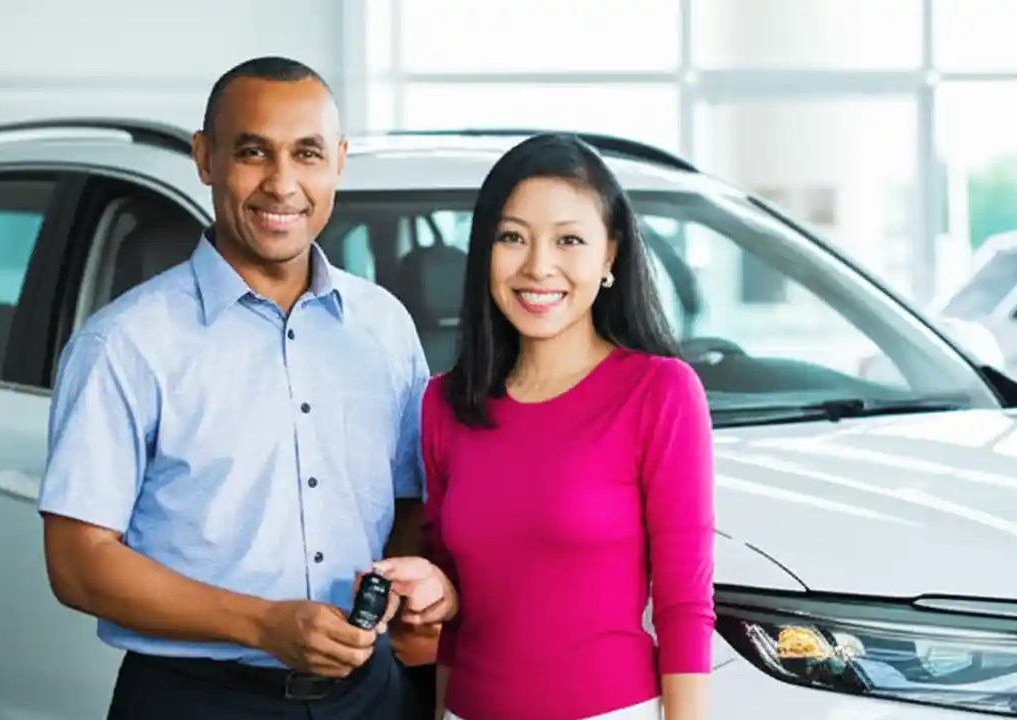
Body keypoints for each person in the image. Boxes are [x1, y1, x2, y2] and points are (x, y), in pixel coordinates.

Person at [37, 56, 428, 719]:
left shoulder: (384, 327)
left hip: (370, 695)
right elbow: (77, 563)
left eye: (307, 154)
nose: (282, 183)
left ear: (338, 161)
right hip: (196, 700)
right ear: (205, 158)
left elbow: (409, 504)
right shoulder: (125, 343)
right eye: (253, 152)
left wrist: (404, 597)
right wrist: (263, 625)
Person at [379, 133, 716, 720]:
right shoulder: (443, 404)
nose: (538, 266)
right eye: (512, 237)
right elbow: (454, 618)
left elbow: (684, 607)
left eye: (569, 240)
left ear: (610, 255)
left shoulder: (660, 393)